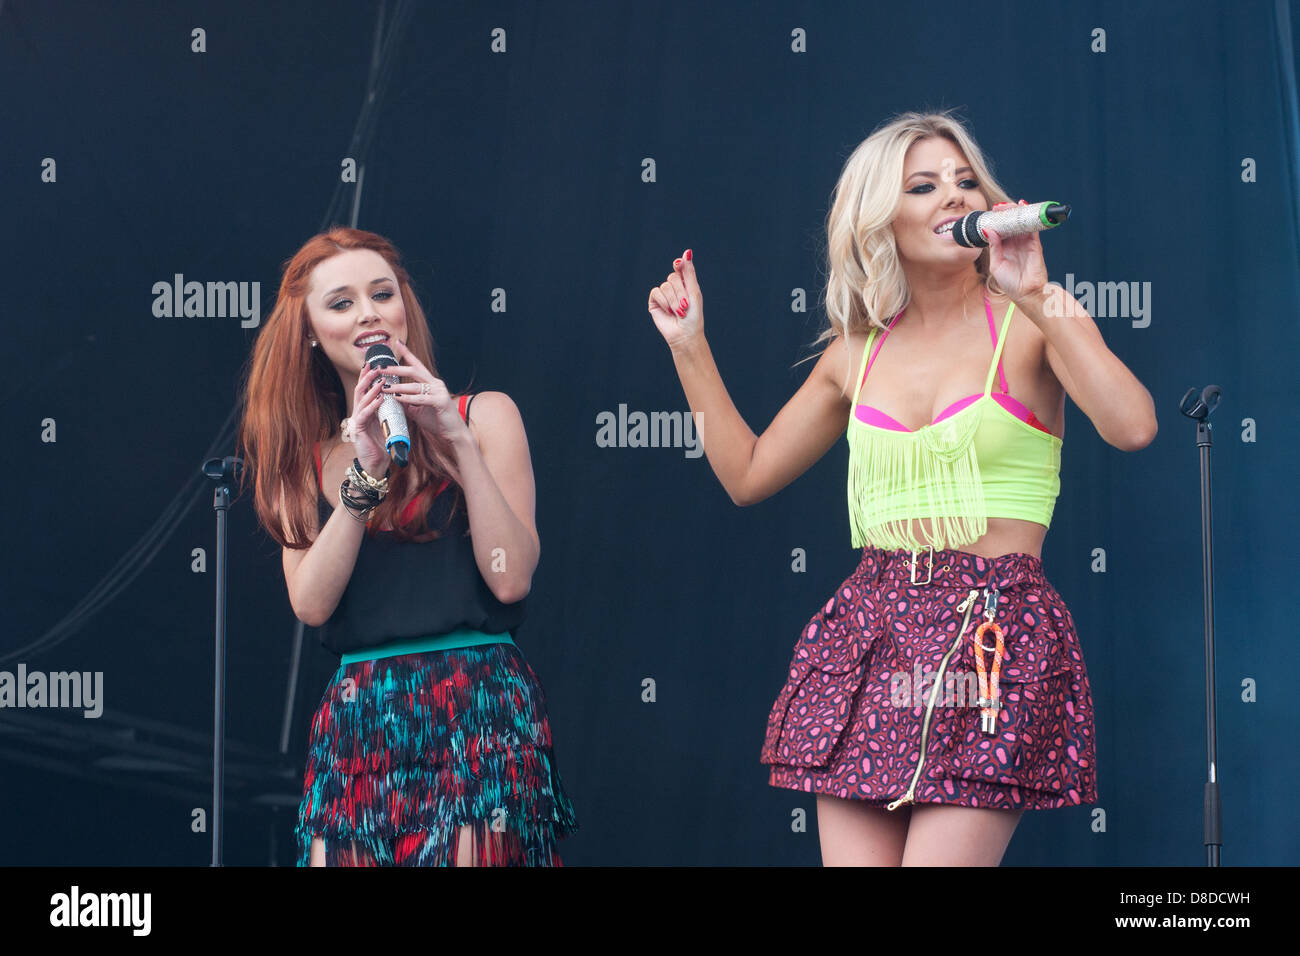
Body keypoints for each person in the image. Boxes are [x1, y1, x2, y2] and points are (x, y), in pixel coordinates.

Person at [646, 110, 1156, 866]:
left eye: (965, 181)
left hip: (992, 637)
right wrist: (689, 349)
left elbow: (1133, 425)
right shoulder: (854, 352)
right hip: (870, 638)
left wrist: (1040, 295)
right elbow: (747, 475)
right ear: (880, 217)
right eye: (924, 185)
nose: (953, 196)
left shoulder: (1031, 321)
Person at [237, 226, 578, 866]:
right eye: (341, 303)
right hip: (360, 717)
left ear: (403, 308)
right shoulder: (299, 461)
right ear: (310, 331)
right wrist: (365, 478)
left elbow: (510, 579)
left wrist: (456, 441)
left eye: (382, 294)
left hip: (475, 703)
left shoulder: (485, 415)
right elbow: (311, 603)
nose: (368, 313)